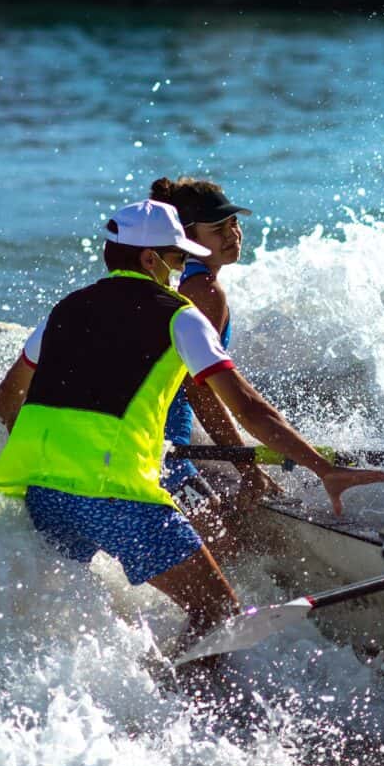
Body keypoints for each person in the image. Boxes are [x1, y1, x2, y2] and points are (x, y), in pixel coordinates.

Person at [0, 199, 384, 643]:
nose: (180, 270)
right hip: (116, 498)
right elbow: (249, 408)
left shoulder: (64, 310)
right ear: (150, 259)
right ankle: (180, 688)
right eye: (178, 258)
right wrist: (322, 467)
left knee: (64, 623)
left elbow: (8, 398)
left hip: (44, 494)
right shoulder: (179, 317)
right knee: (221, 616)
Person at [147, 176, 280, 542]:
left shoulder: (187, 284)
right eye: (218, 229)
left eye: (233, 223)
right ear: (188, 238)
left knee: (231, 535)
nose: (232, 234)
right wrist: (246, 467)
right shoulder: (205, 291)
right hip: (165, 453)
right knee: (223, 543)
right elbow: (199, 392)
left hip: (169, 443)